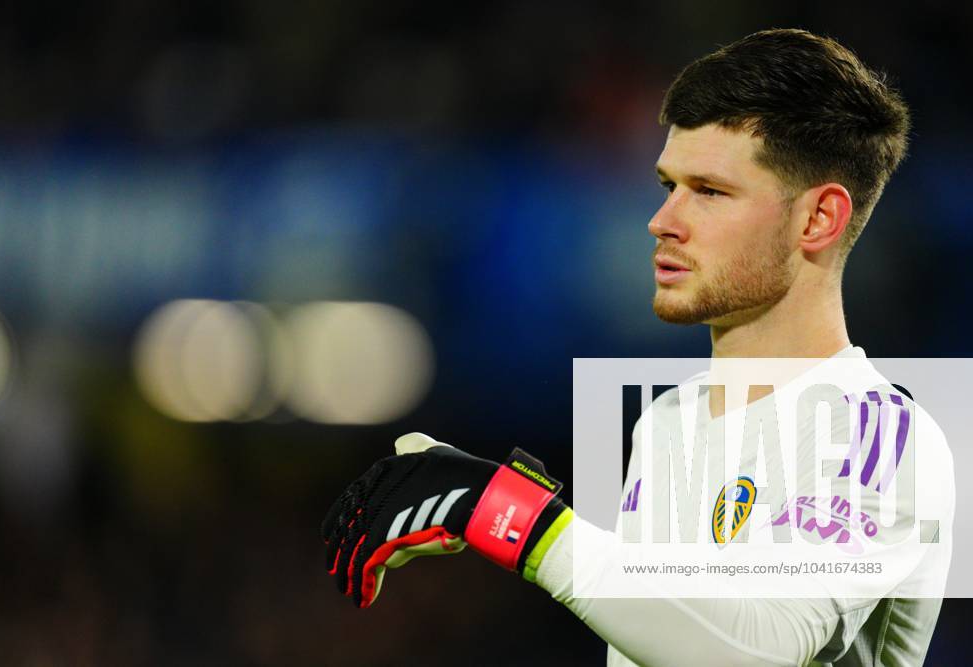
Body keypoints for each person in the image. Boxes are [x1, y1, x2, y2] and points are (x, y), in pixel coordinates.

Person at [322, 28, 954, 666]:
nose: (662, 221)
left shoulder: (879, 436)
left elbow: (763, 650)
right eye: (668, 186)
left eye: (710, 191)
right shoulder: (668, 421)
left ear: (818, 219)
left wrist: (513, 517)